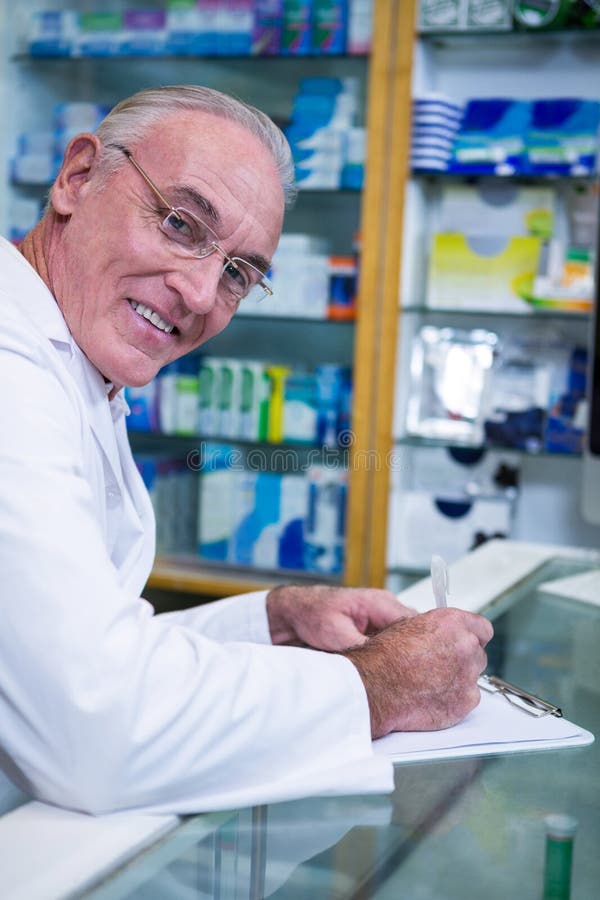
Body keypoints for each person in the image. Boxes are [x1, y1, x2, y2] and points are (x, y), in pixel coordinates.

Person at [0, 85, 493, 816]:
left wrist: (272, 621)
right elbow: (99, 729)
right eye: (180, 223)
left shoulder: (75, 356)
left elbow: (62, 653)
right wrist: (380, 685)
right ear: (77, 178)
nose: (200, 294)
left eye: (237, 273)